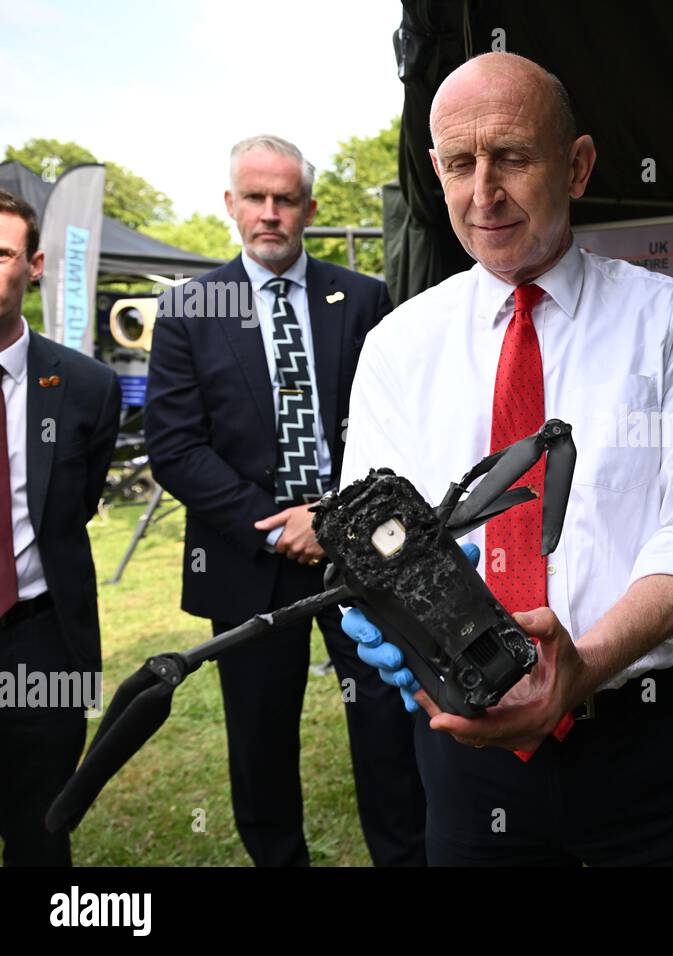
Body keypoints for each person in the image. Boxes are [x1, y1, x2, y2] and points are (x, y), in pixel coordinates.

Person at [340, 52, 673, 865]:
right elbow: (375, 531)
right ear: (436, 172)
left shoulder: (666, 320)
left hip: (652, 743)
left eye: (513, 158)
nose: (483, 192)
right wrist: (387, 608)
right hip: (472, 754)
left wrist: (585, 666)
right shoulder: (398, 345)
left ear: (579, 165)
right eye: (460, 164)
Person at [144, 136, 424, 866]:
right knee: (261, 742)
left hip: (360, 552)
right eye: (256, 198)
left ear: (310, 207)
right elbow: (176, 447)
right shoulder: (189, 309)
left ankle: (406, 857)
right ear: (231, 204)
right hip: (248, 560)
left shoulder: (362, 298)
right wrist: (276, 530)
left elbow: (390, 421)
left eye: (286, 199)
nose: (271, 214)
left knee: (390, 725)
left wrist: (329, 519)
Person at [0, 188, 120, 865]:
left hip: (42, 639)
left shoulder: (86, 386)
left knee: (41, 830)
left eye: (0, 253)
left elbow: (72, 506)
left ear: (36, 263)